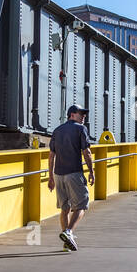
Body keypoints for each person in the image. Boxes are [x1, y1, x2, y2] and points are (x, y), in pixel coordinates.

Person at [48, 105, 96, 251]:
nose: (84, 117)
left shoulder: (57, 130)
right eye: (81, 114)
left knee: (64, 208)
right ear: (72, 115)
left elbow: (51, 156)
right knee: (81, 205)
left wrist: (51, 177)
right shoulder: (80, 129)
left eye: (84, 114)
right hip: (74, 173)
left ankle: (66, 244)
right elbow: (86, 152)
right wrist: (91, 171)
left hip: (58, 175)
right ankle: (68, 232)